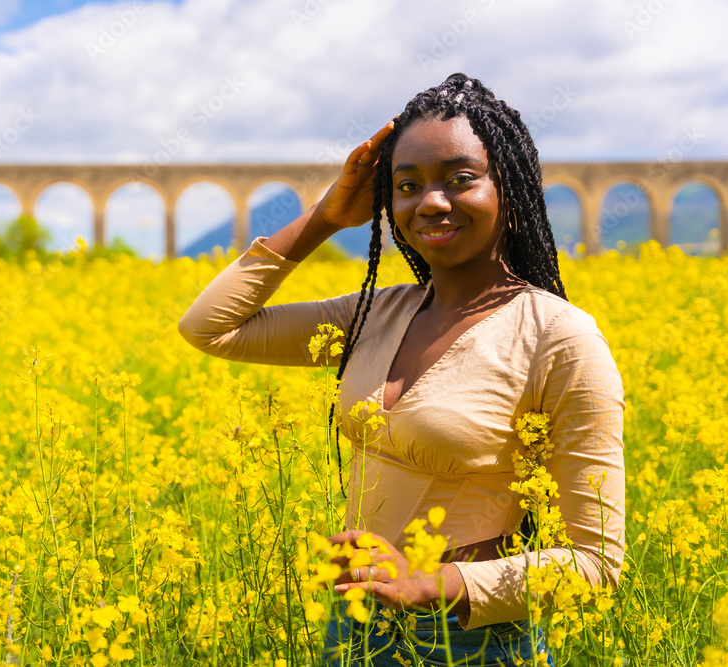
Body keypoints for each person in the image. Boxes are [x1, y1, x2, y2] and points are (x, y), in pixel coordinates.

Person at [178, 73, 625, 666]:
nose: (430, 202)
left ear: (509, 187)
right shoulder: (374, 313)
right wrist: (326, 216)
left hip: (472, 639)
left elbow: (597, 566)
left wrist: (422, 583)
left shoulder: (559, 338)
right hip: (355, 619)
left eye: (460, 180)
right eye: (406, 185)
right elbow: (210, 326)